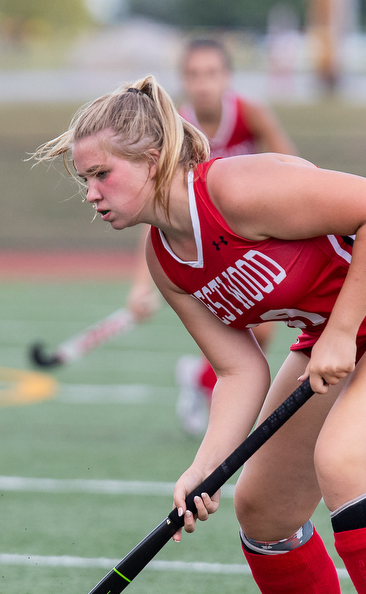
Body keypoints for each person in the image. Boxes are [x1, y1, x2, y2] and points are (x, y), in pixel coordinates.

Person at [36, 75, 366, 594]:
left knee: (346, 459)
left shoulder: (235, 189)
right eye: (85, 179)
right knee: (264, 509)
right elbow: (236, 366)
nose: (91, 193)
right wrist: (204, 467)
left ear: (152, 160)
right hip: (333, 330)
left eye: (102, 174)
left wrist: (340, 331)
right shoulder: (166, 259)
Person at [123, 38, 296, 435]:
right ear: (183, 80)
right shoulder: (173, 131)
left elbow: (295, 168)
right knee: (258, 329)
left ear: (228, 77)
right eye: (194, 74)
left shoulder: (251, 114)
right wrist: (139, 285)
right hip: (208, 244)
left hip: (255, 233)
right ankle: (213, 392)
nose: (203, 84)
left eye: (212, 74)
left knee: (261, 329)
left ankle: (199, 382)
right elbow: (156, 214)